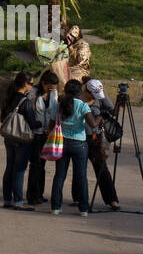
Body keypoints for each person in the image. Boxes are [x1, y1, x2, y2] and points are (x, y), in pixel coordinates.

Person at [50, 79, 94, 216]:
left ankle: (56, 207)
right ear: (80, 92)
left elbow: (51, 124)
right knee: (81, 176)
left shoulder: (59, 104)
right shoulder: (82, 105)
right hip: (79, 144)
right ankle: (83, 209)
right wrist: (100, 120)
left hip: (62, 142)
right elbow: (92, 124)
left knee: (59, 175)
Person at [0, 71, 36, 210]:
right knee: (19, 169)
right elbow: (32, 123)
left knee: (9, 167)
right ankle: (18, 201)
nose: (32, 86)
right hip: (21, 139)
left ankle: (7, 199)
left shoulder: (9, 97)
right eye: (31, 83)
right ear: (25, 84)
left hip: (9, 136)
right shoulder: (25, 102)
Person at [83, 79, 121, 210]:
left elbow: (114, 112)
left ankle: (112, 200)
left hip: (95, 138)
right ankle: (80, 199)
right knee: (80, 171)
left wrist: (119, 103)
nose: (96, 96)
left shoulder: (100, 96)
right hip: (79, 138)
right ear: (86, 90)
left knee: (102, 169)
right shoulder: (78, 97)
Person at [24, 70, 59, 206]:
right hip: (35, 134)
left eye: (54, 88)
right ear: (43, 83)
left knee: (42, 165)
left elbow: (54, 111)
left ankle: (40, 193)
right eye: (49, 87)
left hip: (47, 134)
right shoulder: (32, 94)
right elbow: (29, 113)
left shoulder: (53, 94)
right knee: (35, 165)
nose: (51, 90)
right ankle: (32, 195)